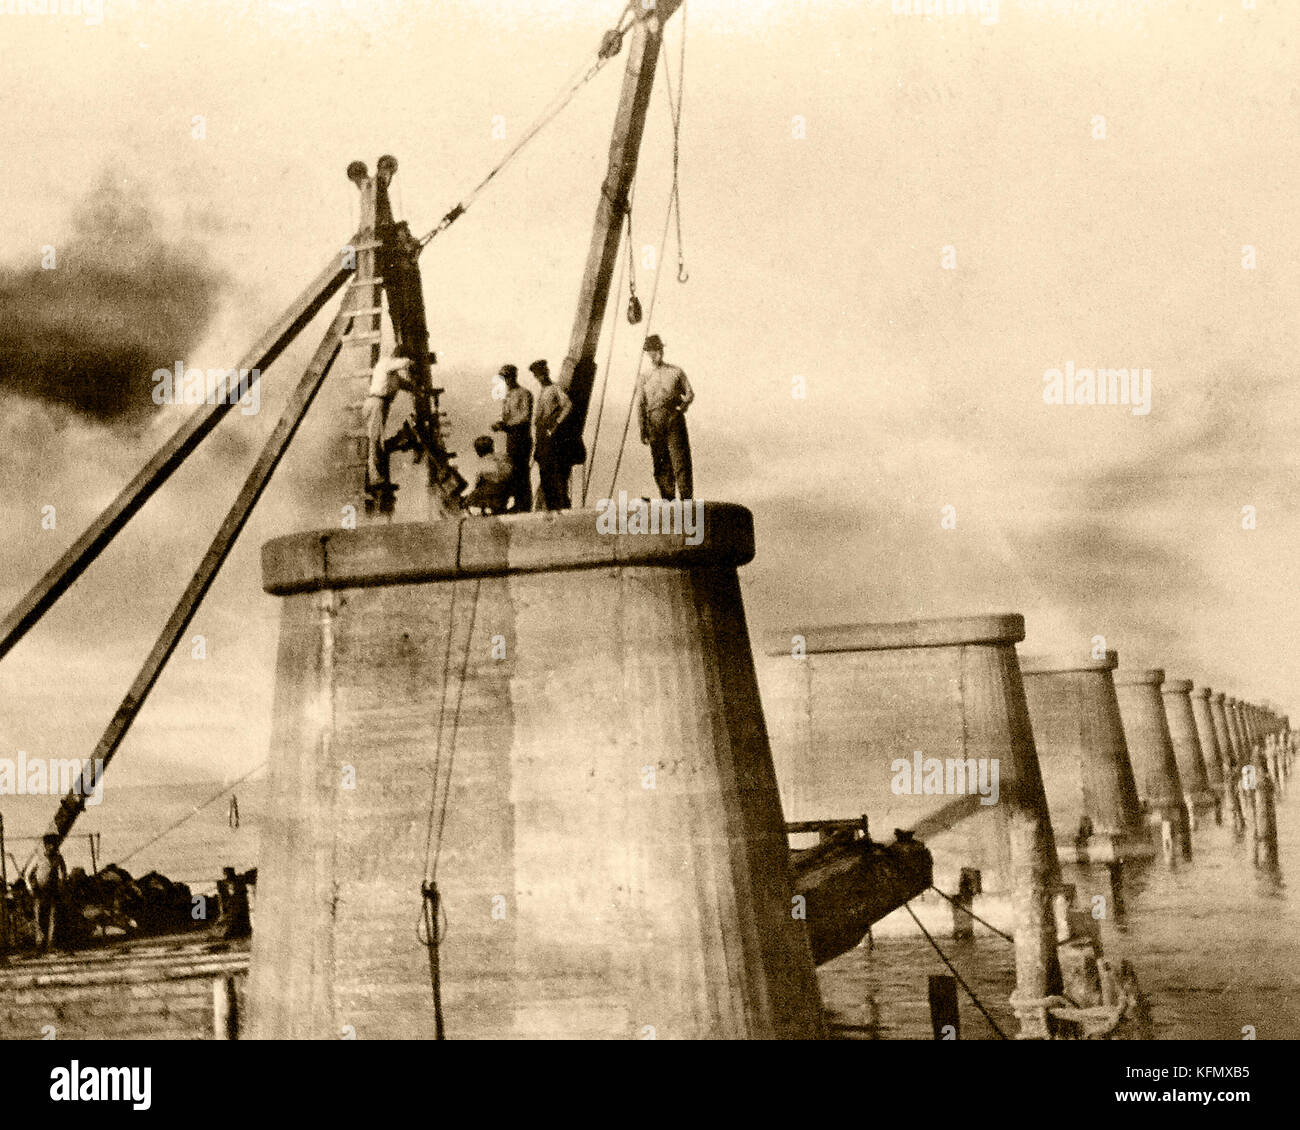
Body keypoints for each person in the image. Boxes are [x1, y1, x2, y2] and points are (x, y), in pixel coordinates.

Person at [635, 334, 694, 500]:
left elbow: (689, 393)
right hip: (654, 420)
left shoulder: (676, 372)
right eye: (651, 351)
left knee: (680, 460)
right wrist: (643, 428)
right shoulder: (644, 376)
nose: (655, 353)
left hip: (673, 418)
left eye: (657, 349)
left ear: (661, 349)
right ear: (648, 353)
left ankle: (686, 498)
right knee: (661, 463)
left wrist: (683, 407)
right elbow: (640, 403)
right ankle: (668, 498)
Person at [364, 344, 418, 494]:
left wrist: (418, 388)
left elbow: (407, 385)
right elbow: (403, 363)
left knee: (378, 440)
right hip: (376, 402)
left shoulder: (393, 376)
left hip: (382, 404)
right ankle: (375, 478)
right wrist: (413, 361)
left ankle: (378, 475)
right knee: (375, 439)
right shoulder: (386, 363)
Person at [490, 364, 533, 513]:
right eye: (503, 377)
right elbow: (507, 416)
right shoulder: (507, 396)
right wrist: (500, 424)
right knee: (513, 470)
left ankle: (524, 504)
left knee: (522, 470)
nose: (506, 380)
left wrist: (506, 425)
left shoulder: (524, 393)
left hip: (521, 437)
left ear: (514, 376)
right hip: (511, 437)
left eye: (507, 376)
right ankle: (518, 503)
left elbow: (525, 417)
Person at [531, 359, 573, 510]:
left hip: (551, 435)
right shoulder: (542, 392)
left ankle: (559, 505)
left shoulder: (555, 389)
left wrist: (557, 423)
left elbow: (567, 405)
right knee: (544, 471)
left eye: (542, 374)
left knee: (554, 470)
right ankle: (550, 505)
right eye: (537, 375)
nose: (540, 377)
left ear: (546, 372)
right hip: (541, 435)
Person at [29, 834, 67, 953]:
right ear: (45, 846)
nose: (51, 847)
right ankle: (39, 945)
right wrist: (34, 886)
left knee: (53, 918)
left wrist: (61, 885)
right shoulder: (39, 858)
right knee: (39, 919)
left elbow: (63, 873)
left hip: (53, 892)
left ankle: (51, 945)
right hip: (40, 893)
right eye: (49, 845)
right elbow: (30, 874)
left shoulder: (58, 858)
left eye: (53, 845)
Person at [463, 435, 515, 514]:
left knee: (466, 502)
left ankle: (483, 510)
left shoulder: (481, 464)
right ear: (492, 447)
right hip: (506, 490)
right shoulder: (503, 457)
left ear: (478, 451)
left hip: (490, 491)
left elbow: (476, 482)